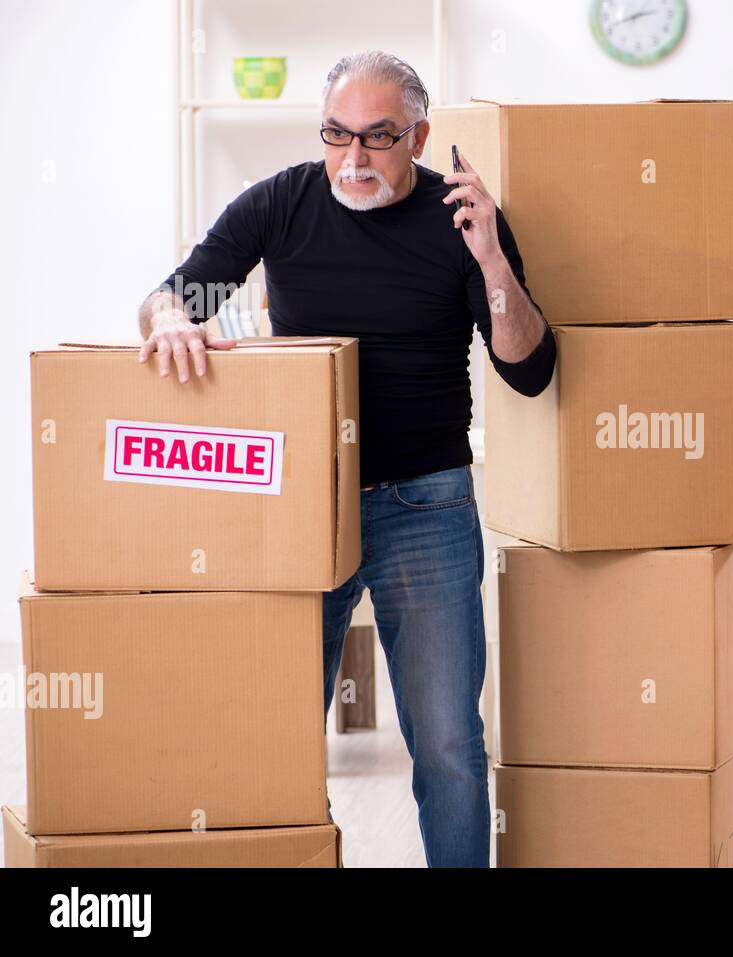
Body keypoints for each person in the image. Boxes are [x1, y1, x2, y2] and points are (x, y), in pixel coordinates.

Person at [135, 50, 556, 867]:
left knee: (445, 743)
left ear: (420, 137)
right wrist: (171, 321)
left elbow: (530, 370)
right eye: (336, 134)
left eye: (376, 137)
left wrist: (493, 258)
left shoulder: (461, 219)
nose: (352, 159)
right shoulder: (283, 202)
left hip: (427, 505)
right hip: (302, 504)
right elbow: (169, 293)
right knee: (282, 736)